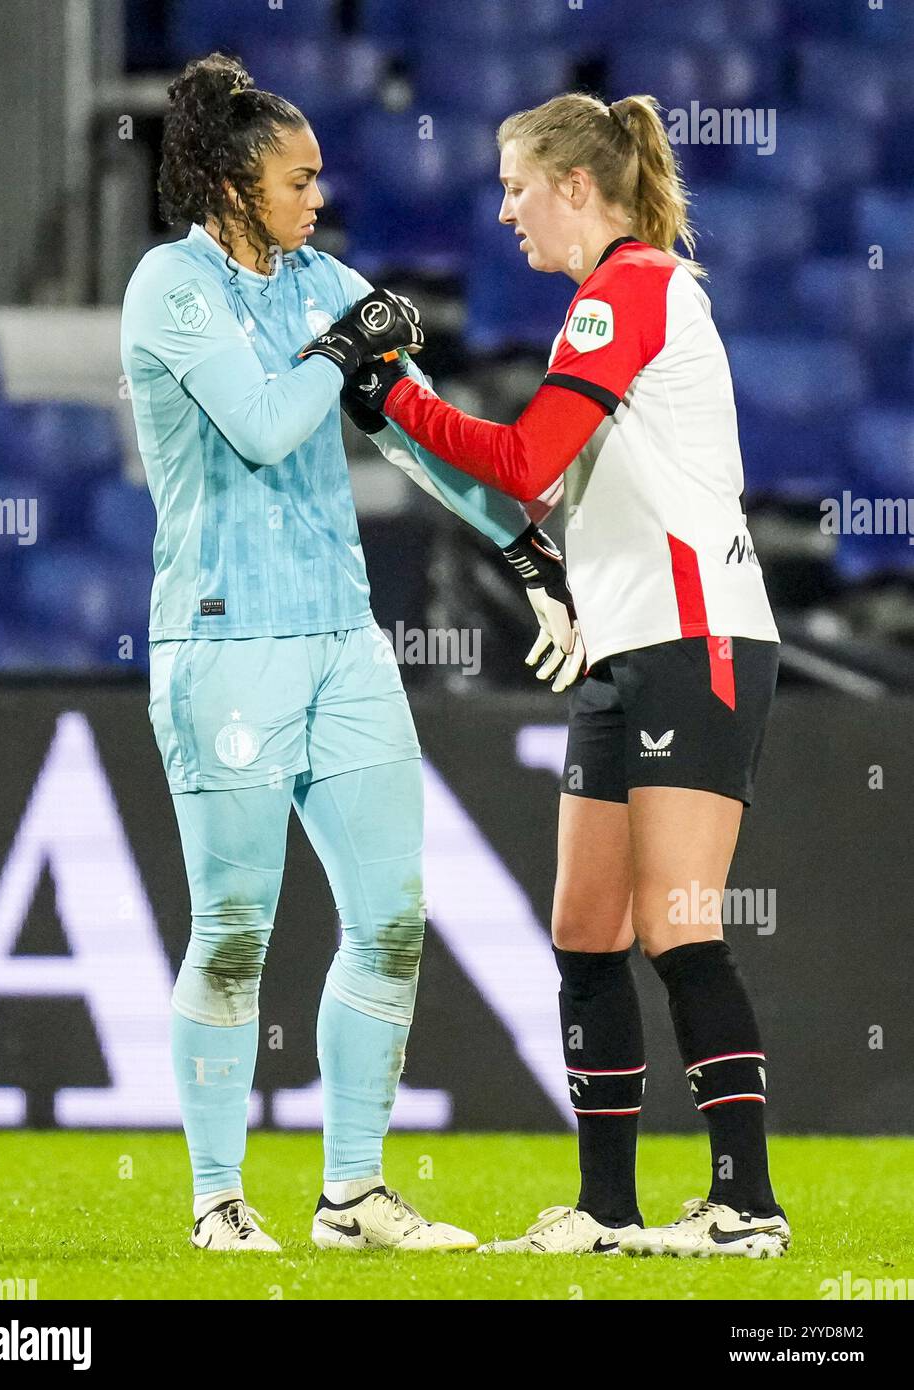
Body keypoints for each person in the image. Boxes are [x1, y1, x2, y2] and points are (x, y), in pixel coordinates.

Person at [120, 53, 580, 1254]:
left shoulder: (325, 279)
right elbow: (270, 429)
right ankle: (220, 1200)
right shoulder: (170, 289)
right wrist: (336, 349)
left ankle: (351, 1197)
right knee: (233, 929)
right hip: (223, 641)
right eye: (297, 178)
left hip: (341, 640)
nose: (316, 199)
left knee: (389, 919)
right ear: (229, 180)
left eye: (318, 178)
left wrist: (526, 554)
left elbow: (417, 438)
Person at [334, 92, 789, 1258]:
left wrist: (401, 402)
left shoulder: (628, 290)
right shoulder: (603, 305)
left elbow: (530, 459)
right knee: (585, 932)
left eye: (514, 186)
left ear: (573, 187)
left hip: (699, 641)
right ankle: (604, 1209)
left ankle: (745, 1204)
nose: (503, 211)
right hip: (622, 648)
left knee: (678, 926)